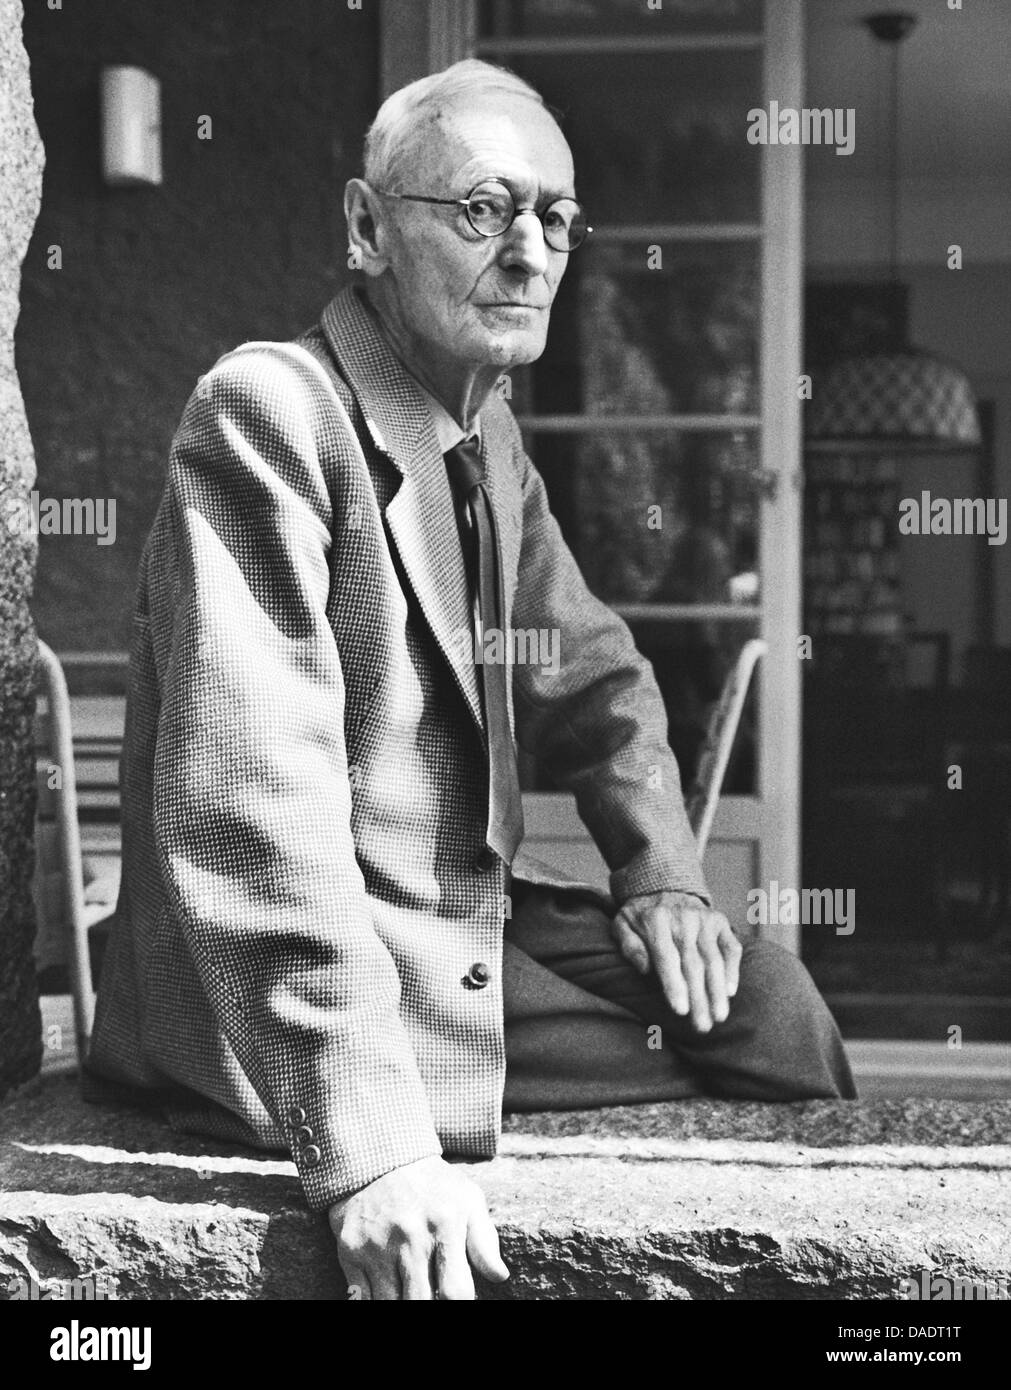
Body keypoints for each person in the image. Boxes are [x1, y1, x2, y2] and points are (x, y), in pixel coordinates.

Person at [86, 59, 855, 1301]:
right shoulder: (266, 414)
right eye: (486, 210)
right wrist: (371, 1156)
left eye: (554, 218)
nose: (531, 251)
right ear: (365, 227)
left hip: (456, 927)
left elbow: (597, 673)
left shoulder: (487, 446)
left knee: (763, 1002)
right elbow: (251, 811)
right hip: (301, 981)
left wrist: (659, 873)